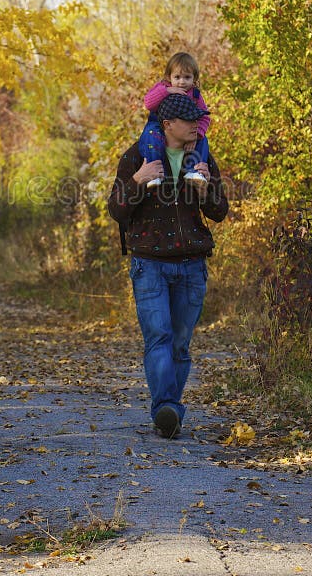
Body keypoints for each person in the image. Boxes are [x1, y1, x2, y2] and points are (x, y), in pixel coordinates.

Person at [108, 92, 229, 439]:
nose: (196, 125)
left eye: (197, 119)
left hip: (192, 265)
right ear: (168, 124)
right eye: (189, 120)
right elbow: (116, 209)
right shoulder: (137, 156)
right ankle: (166, 407)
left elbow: (220, 211)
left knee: (179, 344)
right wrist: (138, 180)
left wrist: (207, 190)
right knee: (158, 337)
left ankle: (168, 412)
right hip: (150, 265)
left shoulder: (200, 155)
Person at [139, 52, 210, 188]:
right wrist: (167, 91)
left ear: (194, 78)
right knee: (151, 136)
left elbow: (205, 117)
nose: (182, 82)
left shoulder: (195, 95)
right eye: (177, 77)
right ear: (169, 76)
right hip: (157, 123)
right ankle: (154, 172)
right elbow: (148, 103)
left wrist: (196, 135)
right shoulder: (163, 87)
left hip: (184, 129)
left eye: (187, 77)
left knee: (203, 140)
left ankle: (194, 171)